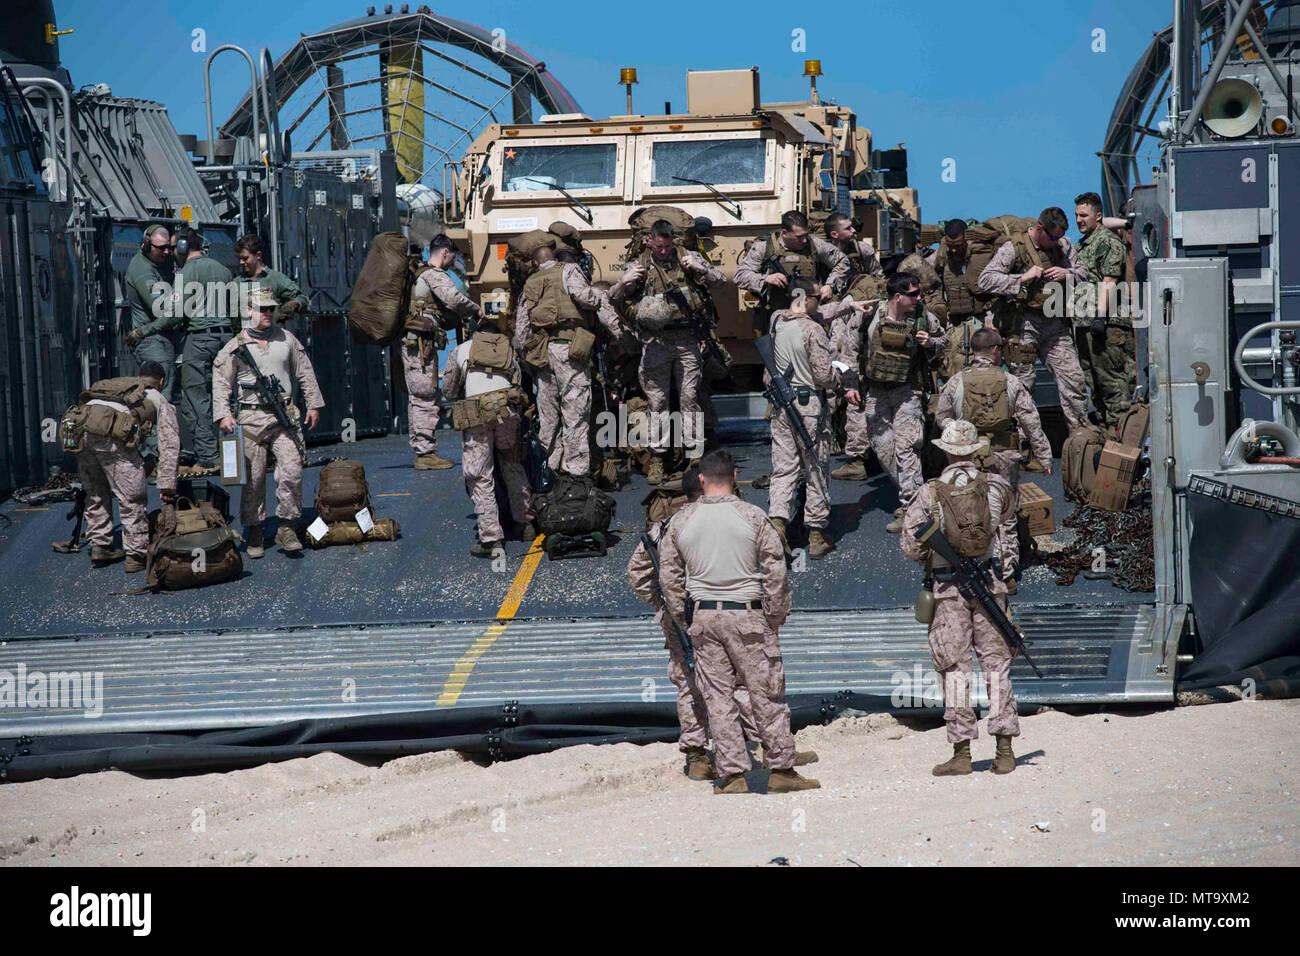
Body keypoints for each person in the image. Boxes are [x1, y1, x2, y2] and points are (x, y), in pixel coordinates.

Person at [658, 449, 820, 795]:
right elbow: (776, 571)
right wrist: (775, 615)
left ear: (701, 480)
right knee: (766, 693)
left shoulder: (680, 521)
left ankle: (732, 776)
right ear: (734, 478)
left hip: (703, 617)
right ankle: (781, 769)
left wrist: (684, 618)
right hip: (747, 615)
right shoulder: (753, 515)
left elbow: (669, 579)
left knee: (717, 698)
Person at [900, 420, 1020, 776]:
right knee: (997, 666)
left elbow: (908, 545)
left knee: (955, 669)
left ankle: (962, 752)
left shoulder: (930, 492)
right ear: (975, 450)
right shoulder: (997, 487)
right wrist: (1005, 567)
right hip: (990, 586)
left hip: (948, 590)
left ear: (947, 450)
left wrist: (931, 554)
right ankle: (1004, 750)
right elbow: (1009, 528)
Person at [934, 329, 1051, 590]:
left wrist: (962, 432)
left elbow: (941, 416)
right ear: (996, 350)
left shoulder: (956, 381)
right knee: (1006, 514)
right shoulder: (1010, 381)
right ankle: (1007, 574)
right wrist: (1044, 457)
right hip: (1004, 456)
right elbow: (1030, 420)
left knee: (970, 509)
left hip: (969, 454)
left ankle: (974, 567)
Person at [608, 219, 724, 483]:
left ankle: (694, 456)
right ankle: (658, 459)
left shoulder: (688, 257)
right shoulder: (640, 265)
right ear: (650, 240)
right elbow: (613, 299)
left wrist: (699, 268)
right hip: (656, 343)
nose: (663, 251)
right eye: (659, 246)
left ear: (674, 241)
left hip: (687, 340)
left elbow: (720, 280)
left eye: (667, 246)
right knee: (657, 403)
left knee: (689, 399)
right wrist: (624, 281)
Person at [213, 287, 325, 557]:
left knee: (291, 469)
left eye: (271, 309)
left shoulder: (286, 340)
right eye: (262, 309)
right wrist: (223, 414)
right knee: (254, 478)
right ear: (248, 311)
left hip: (283, 417)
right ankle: (254, 529)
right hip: (250, 419)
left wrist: (313, 404)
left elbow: (305, 373)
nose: (267, 313)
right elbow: (220, 383)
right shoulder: (235, 347)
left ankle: (287, 525)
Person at [838, 271, 947, 533]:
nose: (919, 298)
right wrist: (850, 385)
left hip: (908, 391)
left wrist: (930, 342)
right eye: (913, 294)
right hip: (875, 391)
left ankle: (912, 509)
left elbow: (945, 341)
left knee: (907, 446)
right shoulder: (868, 315)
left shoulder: (923, 316)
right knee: (882, 446)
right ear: (897, 296)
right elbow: (849, 351)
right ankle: (922, 496)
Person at [517, 236, 626, 479]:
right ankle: (575, 474)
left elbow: (521, 329)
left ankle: (548, 469)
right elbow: (585, 298)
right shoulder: (568, 271)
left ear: (535, 263)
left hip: (542, 353)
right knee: (575, 412)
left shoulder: (530, 283)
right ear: (553, 259)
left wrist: (528, 356)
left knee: (548, 417)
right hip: (568, 349)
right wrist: (603, 297)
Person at [977, 207, 1090, 429]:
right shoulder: (1014, 248)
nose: (1057, 240)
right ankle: (1024, 445)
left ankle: (1081, 442)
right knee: (1023, 387)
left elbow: (1084, 272)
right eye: (1053, 236)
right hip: (1022, 325)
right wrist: (1022, 278)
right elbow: (985, 280)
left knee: (1074, 381)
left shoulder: (1063, 246)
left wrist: (1067, 273)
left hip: (1053, 323)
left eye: (1060, 236)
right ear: (1040, 228)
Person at [441, 317, 534, 558]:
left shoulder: (461, 349)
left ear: (476, 333)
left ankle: (492, 540)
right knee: (512, 465)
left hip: (478, 416)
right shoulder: (507, 349)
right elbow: (519, 382)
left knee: (480, 474)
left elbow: (448, 390)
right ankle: (526, 524)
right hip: (507, 411)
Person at [76, 361, 179, 573]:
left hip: (84, 437)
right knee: (131, 497)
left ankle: (100, 546)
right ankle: (135, 554)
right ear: (161, 382)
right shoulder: (157, 397)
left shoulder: (117, 387)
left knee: (96, 493)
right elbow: (169, 443)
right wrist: (167, 485)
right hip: (114, 442)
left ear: (139, 375)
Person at [766, 294, 839, 559]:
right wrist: (837, 375)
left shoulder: (776, 322)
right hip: (808, 406)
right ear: (805, 299)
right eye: (816, 297)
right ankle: (817, 535)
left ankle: (777, 527)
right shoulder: (812, 329)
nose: (819, 302)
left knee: (784, 468)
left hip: (782, 404)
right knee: (815, 467)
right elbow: (822, 375)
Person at [168, 227, 234, 477]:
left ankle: (208, 458)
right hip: (226, 338)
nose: (173, 252)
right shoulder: (223, 270)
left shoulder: (186, 272)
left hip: (200, 339)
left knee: (195, 398)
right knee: (225, 396)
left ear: (184, 247)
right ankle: (233, 455)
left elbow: (176, 311)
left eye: (174, 248)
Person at [1072, 192, 1134, 429]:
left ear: (1098, 216)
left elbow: (1109, 281)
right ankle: (1107, 435)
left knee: (1113, 385)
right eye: (1077, 215)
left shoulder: (1107, 242)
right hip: (1084, 324)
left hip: (1106, 326)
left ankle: (1121, 437)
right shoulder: (1082, 244)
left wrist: (1099, 316)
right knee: (1094, 382)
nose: (1079, 220)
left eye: (1084, 215)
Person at [733, 210, 850, 320]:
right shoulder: (763, 248)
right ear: (785, 233)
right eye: (799, 237)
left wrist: (830, 285)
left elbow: (842, 261)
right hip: (777, 315)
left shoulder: (814, 244)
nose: (804, 240)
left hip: (810, 314)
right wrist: (765, 279)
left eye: (806, 235)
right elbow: (740, 276)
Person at [929, 219, 992, 380]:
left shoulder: (980, 256)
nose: (954, 251)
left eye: (958, 246)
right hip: (954, 323)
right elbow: (927, 278)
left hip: (981, 319)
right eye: (951, 247)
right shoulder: (943, 256)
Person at [123, 224, 178, 404]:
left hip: (158, 339)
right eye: (161, 248)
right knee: (159, 398)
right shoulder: (143, 270)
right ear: (146, 245)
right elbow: (160, 308)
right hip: (151, 342)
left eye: (169, 248)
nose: (166, 252)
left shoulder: (152, 266)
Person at [234, 234, 309, 326]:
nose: (241, 262)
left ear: (258, 255)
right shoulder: (236, 283)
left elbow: (302, 299)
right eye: (239, 259)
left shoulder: (276, 279)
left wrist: (294, 304)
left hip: (272, 337)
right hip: (246, 337)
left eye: (245, 258)